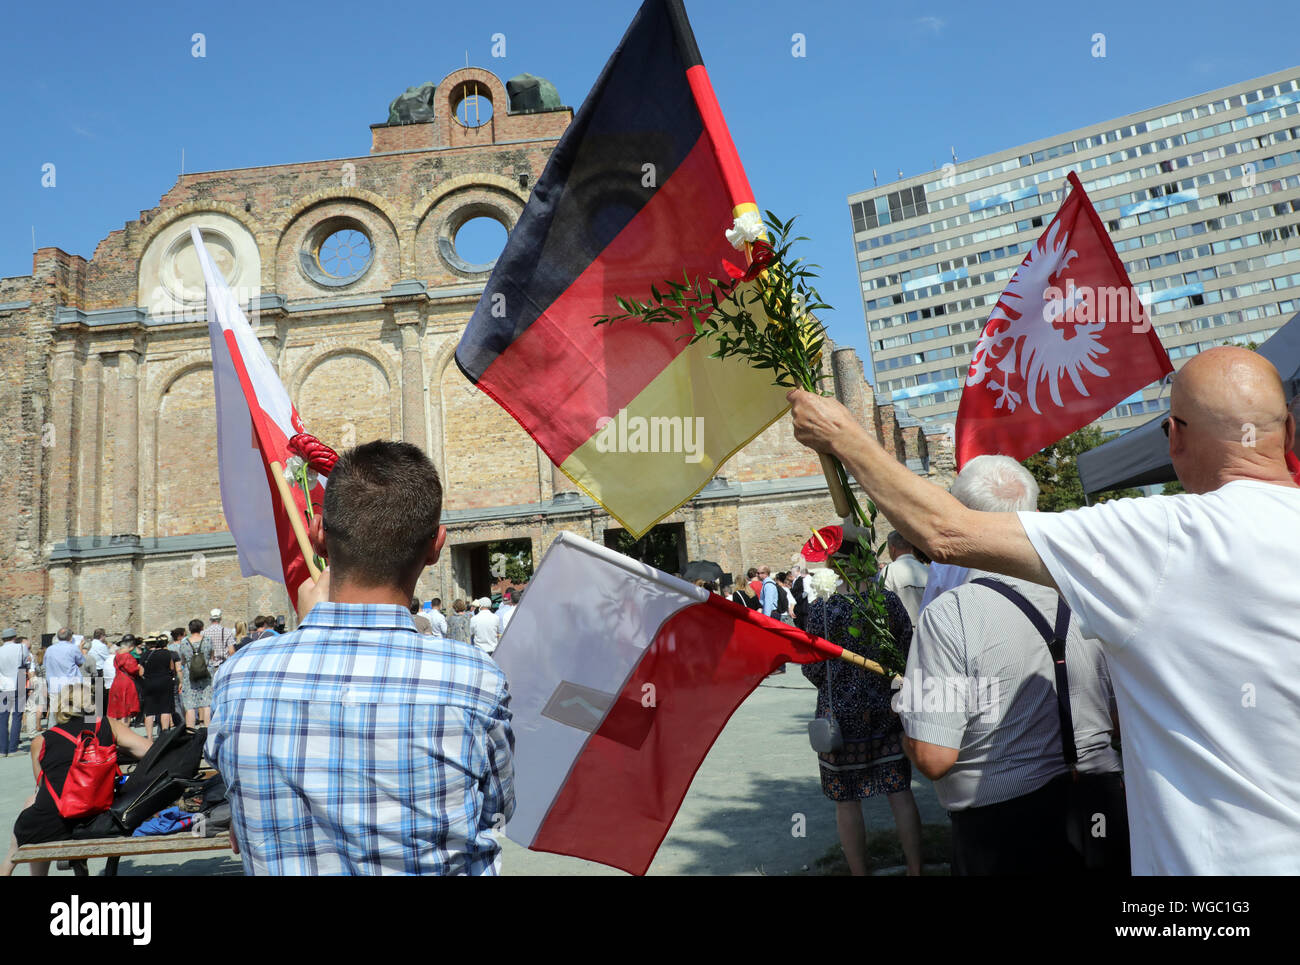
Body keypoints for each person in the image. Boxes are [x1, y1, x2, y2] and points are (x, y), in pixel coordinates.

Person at [786, 346, 1300, 874]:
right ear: (1287, 433)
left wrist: (842, 436)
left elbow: (947, 532)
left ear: (1175, 435)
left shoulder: (1163, 538)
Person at [208, 440, 514, 875]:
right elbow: (496, 811)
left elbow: (242, 825)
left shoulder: (239, 677)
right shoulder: (473, 681)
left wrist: (310, 632)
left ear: (317, 535)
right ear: (436, 545)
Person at [896, 456, 1126, 875]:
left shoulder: (952, 613)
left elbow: (933, 757)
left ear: (961, 523)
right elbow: (1117, 717)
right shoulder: (1090, 593)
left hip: (1003, 828)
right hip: (1103, 806)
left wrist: (906, 708)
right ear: (1036, 515)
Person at [803, 573, 923, 876]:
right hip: (885, 708)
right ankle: (915, 868)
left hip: (839, 715)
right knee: (899, 791)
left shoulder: (823, 608)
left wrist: (835, 682)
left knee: (846, 799)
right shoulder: (887, 600)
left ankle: (859, 872)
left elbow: (811, 664)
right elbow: (908, 649)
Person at [0, 683, 152, 876]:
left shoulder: (41, 741)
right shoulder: (106, 725)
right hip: (97, 818)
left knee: (25, 827)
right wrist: (115, 748)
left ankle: (14, 870)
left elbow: (42, 787)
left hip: (52, 822)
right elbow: (149, 750)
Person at [881, 531, 930, 629]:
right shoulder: (927, 571)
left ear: (892, 549)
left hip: (901, 633)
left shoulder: (888, 571)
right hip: (926, 629)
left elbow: (882, 605)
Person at [140, 634, 177, 740]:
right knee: (165, 709)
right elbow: (171, 668)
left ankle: (150, 737)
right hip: (164, 681)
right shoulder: (166, 653)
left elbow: (141, 672)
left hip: (149, 682)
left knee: (150, 711)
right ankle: (164, 734)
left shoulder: (145, 655)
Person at [179, 619, 214, 728]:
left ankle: (190, 732)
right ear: (202, 628)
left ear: (189, 629)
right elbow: (211, 656)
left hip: (190, 675)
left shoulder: (184, 642)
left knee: (190, 705)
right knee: (206, 703)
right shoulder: (208, 640)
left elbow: (183, 660)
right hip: (206, 673)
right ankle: (207, 729)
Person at [0, 628, 27, 757]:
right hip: (19, 680)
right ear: (14, 637)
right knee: (17, 716)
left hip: (3, 684)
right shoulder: (21, 648)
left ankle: (2, 749)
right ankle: (13, 748)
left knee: (2, 718)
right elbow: (25, 662)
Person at [106, 635, 142, 723]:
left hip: (117, 681)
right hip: (126, 683)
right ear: (131, 646)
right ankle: (124, 730)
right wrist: (139, 667)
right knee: (126, 710)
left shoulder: (117, 656)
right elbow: (133, 670)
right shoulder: (128, 657)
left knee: (116, 709)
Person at [42, 628, 83, 702]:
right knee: (70, 711)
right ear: (70, 637)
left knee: (55, 710)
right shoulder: (73, 648)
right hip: (70, 684)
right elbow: (80, 663)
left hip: (54, 684)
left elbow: (45, 665)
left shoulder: (49, 649)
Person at [203, 610, 235, 676]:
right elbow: (231, 651)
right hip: (223, 665)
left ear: (210, 619)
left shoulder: (203, 633)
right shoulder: (227, 631)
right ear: (220, 618)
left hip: (208, 666)